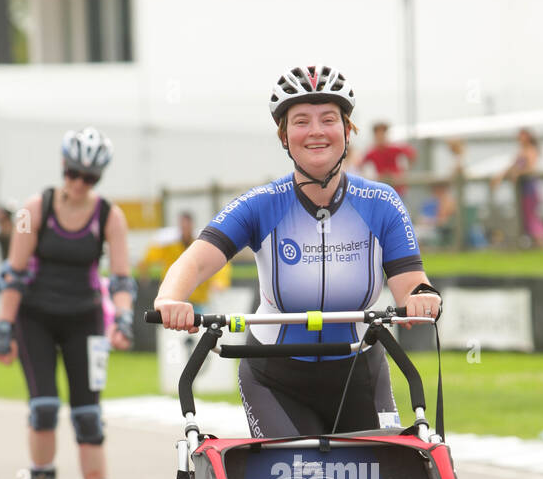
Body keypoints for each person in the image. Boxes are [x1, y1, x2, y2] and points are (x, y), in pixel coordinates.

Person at [154, 64, 441, 438]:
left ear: (347, 130)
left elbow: (411, 284)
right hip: (275, 378)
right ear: (284, 136)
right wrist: (169, 299)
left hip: (360, 372)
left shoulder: (382, 202)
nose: (317, 131)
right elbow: (193, 260)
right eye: (302, 121)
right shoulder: (261, 204)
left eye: (328, 119)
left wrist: (423, 297)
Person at [0, 125, 135, 479]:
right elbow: (13, 273)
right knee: (44, 408)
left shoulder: (111, 216)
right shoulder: (32, 208)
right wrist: (3, 325)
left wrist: (123, 318)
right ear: (62, 166)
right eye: (73, 172)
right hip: (34, 317)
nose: (78, 183)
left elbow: (123, 279)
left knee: (88, 416)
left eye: (89, 178)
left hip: (85, 318)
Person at [138, 210, 229, 306]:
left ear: (192, 225)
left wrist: (220, 282)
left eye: (187, 225)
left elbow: (219, 262)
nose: (185, 228)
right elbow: (148, 258)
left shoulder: (202, 244)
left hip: (198, 297)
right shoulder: (169, 244)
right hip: (174, 295)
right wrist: (144, 272)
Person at [491, 127, 543, 248]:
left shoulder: (531, 150)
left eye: (522, 135)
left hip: (530, 187)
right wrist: (499, 177)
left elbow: (531, 168)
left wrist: (518, 173)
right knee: (527, 218)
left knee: (531, 217)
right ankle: (537, 246)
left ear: (528, 136)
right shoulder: (521, 151)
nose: (519, 138)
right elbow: (512, 166)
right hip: (523, 188)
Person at [361, 121, 417, 195]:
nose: (380, 137)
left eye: (382, 134)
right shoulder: (371, 152)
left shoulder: (394, 148)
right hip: (382, 189)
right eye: (378, 134)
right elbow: (360, 164)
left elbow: (412, 154)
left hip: (397, 187)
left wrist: (404, 172)